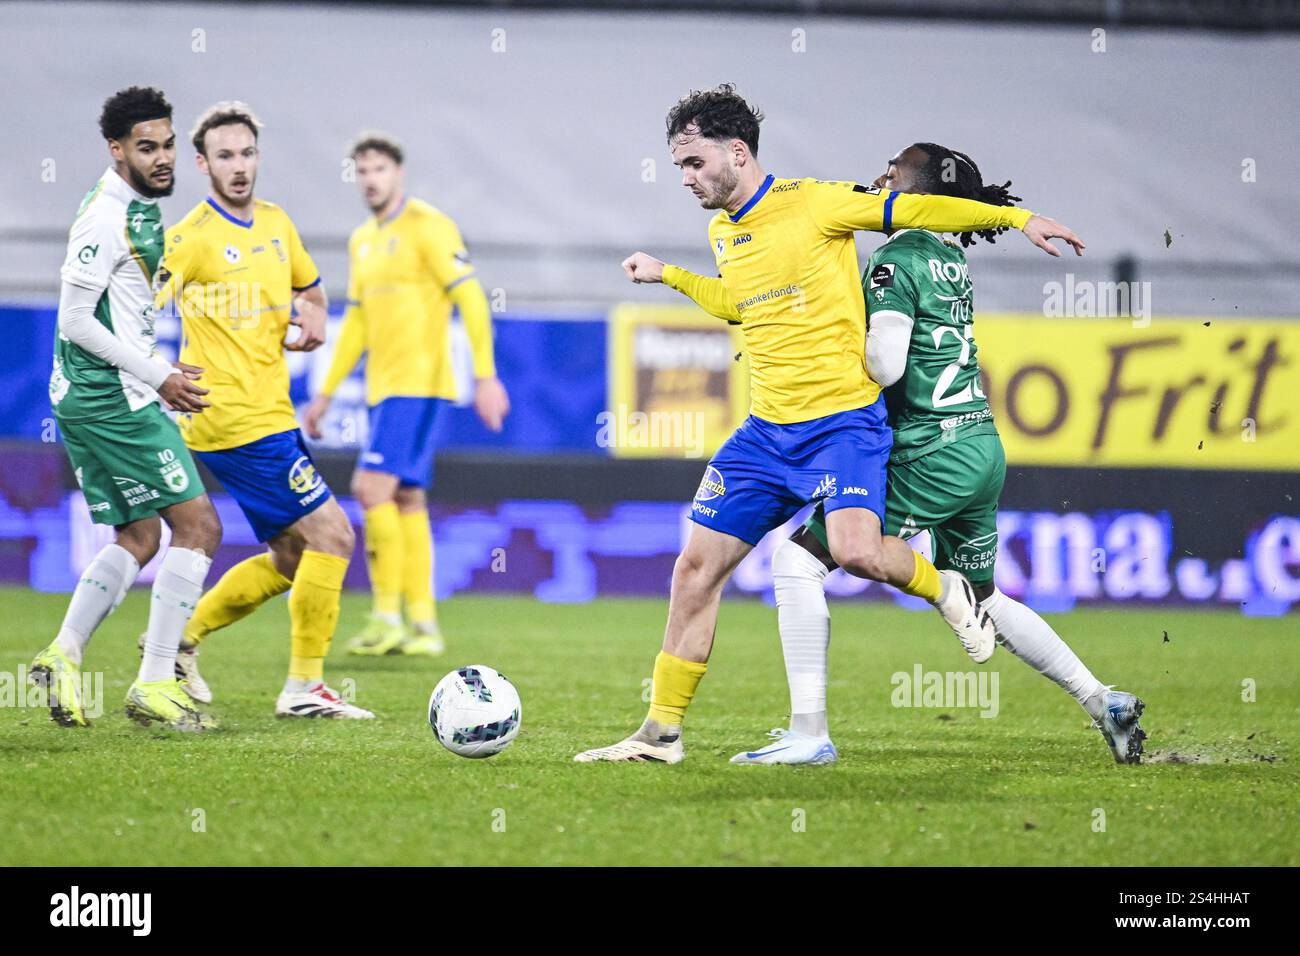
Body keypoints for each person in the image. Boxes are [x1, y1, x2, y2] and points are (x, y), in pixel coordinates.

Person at [576, 85, 1084, 764]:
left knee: (856, 552)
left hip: (843, 426)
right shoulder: (723, 231)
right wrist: (670, 275)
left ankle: (944, 586)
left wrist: (1018, 219)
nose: (688, 180)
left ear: (736, 151)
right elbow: (741, 306)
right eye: (679, 168)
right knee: (694, 570)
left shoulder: (816, 202)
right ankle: (660, 734)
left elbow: (914, 206)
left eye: (695, 163)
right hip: (765, 434)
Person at [728, 143, 1145, 765]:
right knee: (987, 600)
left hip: (930, 452)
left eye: (894, 173)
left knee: (798, 564)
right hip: (979, 446)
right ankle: (1101, 700)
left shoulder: (897, 257)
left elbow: (888, 365)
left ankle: (809, 732)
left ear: (918, 191)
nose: (880, 177)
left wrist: (824, 356)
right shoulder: (950, 257)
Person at [156, 101, 372, 718]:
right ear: (202, 164)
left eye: (247, 153)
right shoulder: (193, 237)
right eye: (225, 155)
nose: (240, 166)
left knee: (291, 556)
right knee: (333, 534)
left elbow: (309, 285)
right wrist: (156, 368)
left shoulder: (277, 223)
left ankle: (177, 643)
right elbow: (137, 302)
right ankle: (304, 688)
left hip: (271, 415)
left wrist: (314, 313)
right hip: (232, 419)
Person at [31, 86, 222, 731]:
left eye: (168, 144)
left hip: (97, 396)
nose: (163, 157)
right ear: (117, 151)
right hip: (112, 398)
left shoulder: (141, 204)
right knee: (199, 528)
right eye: (147, 148)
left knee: (139, 536)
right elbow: (76, 320)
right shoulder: (103, 218)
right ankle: (155, 682)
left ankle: (63, 654)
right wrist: (158, 374)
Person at [302, 132, 509, 658]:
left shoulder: (429, 226)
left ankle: (385, 616)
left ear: (398, 172)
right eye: (362, 171)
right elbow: (358, 324)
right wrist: (324, 393)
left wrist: (485, 376)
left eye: (379, 169)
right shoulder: (361, 241)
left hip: (418, 385)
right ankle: (423, 626)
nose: (370, 179)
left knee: (370, 490)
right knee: (406, 498)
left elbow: (472, 299)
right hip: (383, 388)